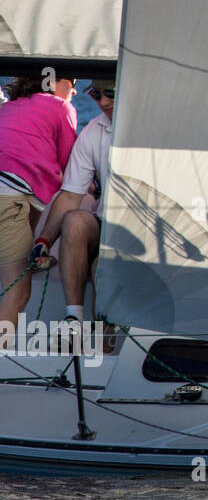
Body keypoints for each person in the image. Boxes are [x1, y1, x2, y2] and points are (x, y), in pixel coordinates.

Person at [29, 79, 115, 326]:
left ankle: (105, 343)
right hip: (106, 227)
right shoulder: (93, 130)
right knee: (75, 220)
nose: (103, 102)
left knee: (102, 266)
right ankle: (73, 319)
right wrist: (43, 241)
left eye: (110, 93)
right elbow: (70, 195)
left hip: (142, 232)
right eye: (95, 94)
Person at [0, 73, 78, 341]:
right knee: (17, 290)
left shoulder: (9, 107)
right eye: (73, 83)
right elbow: (72, 167)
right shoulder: (60, 106)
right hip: (9, 199)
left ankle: (29, 256)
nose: (75, 91)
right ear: (55, 80)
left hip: (11, 193)